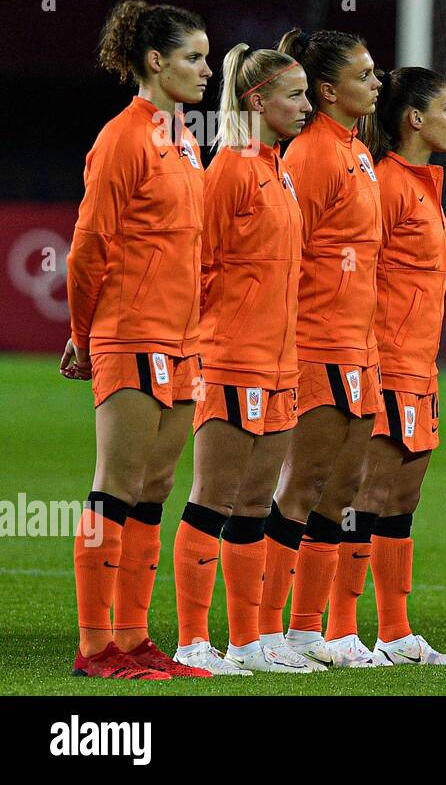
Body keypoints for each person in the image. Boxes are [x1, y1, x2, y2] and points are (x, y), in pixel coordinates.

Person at [64, 0, 213, 680]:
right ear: (156, 62)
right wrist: (81, 331)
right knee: (114, 488)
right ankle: (96, 646)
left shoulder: (182, 136)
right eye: (194, 57)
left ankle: (133, 637)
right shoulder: (123, 137)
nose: (207, 70)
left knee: (154, 488)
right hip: (131, 332)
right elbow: (88, 247)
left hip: (183, 339)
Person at [171, 44, 318, 675]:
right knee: (214, 497)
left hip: (281, 363)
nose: (308, 106)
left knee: (257, 503)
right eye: (296, 95)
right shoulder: (228, 169)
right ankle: (191, 641)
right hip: (232, 359)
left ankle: (249, 640)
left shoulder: (278, 169)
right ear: (258, 100)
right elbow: (193, 268)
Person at [261, 29, 385, 668]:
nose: (378, 82)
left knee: (343, 487)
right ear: (329, 90)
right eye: (365, 74)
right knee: (301, 484)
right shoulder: (311, 154)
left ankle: (311, 632)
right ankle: (263, 633)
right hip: (316, 344)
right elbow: (284, 250)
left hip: (358, 348)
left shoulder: (356, 151)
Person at [344, 68, 446, 666]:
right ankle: (340, 630)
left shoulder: (422, 184)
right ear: (414, 118)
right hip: (385, 364)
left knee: (403, 499)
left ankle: (394, 632)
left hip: (421, 367)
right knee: (367, 494)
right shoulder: (386, 184)